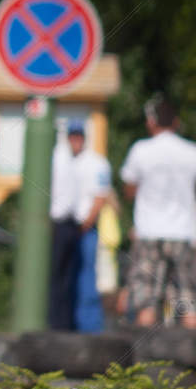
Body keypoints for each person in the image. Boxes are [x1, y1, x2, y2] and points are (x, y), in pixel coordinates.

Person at [120, 97, 196, 327]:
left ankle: (146, 361)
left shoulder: (140, 150)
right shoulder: (194, 151)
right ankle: (195, 360)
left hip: (149, 232)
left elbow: (129, 190)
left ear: (151, 122)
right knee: (187, 304)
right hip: (184, 232)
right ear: (176, 122)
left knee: (146, 302)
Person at [70, 121, 112, 332]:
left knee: (87, 276)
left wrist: (85, 224)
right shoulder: (64, 160)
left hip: (86, 228)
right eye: (72, 136)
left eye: (78, 136)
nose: (75, 141)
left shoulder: (96, 163)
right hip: (67, 226)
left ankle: (90, 326)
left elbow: (100, 197)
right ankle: (70, 322)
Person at [47, 123, 83, 330]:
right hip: (60, 222)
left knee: (64, 277)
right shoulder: (61, 157)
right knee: (59, 276)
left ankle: (61, 323)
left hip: (67, 223)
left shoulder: (65, 158)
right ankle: (57, 323)